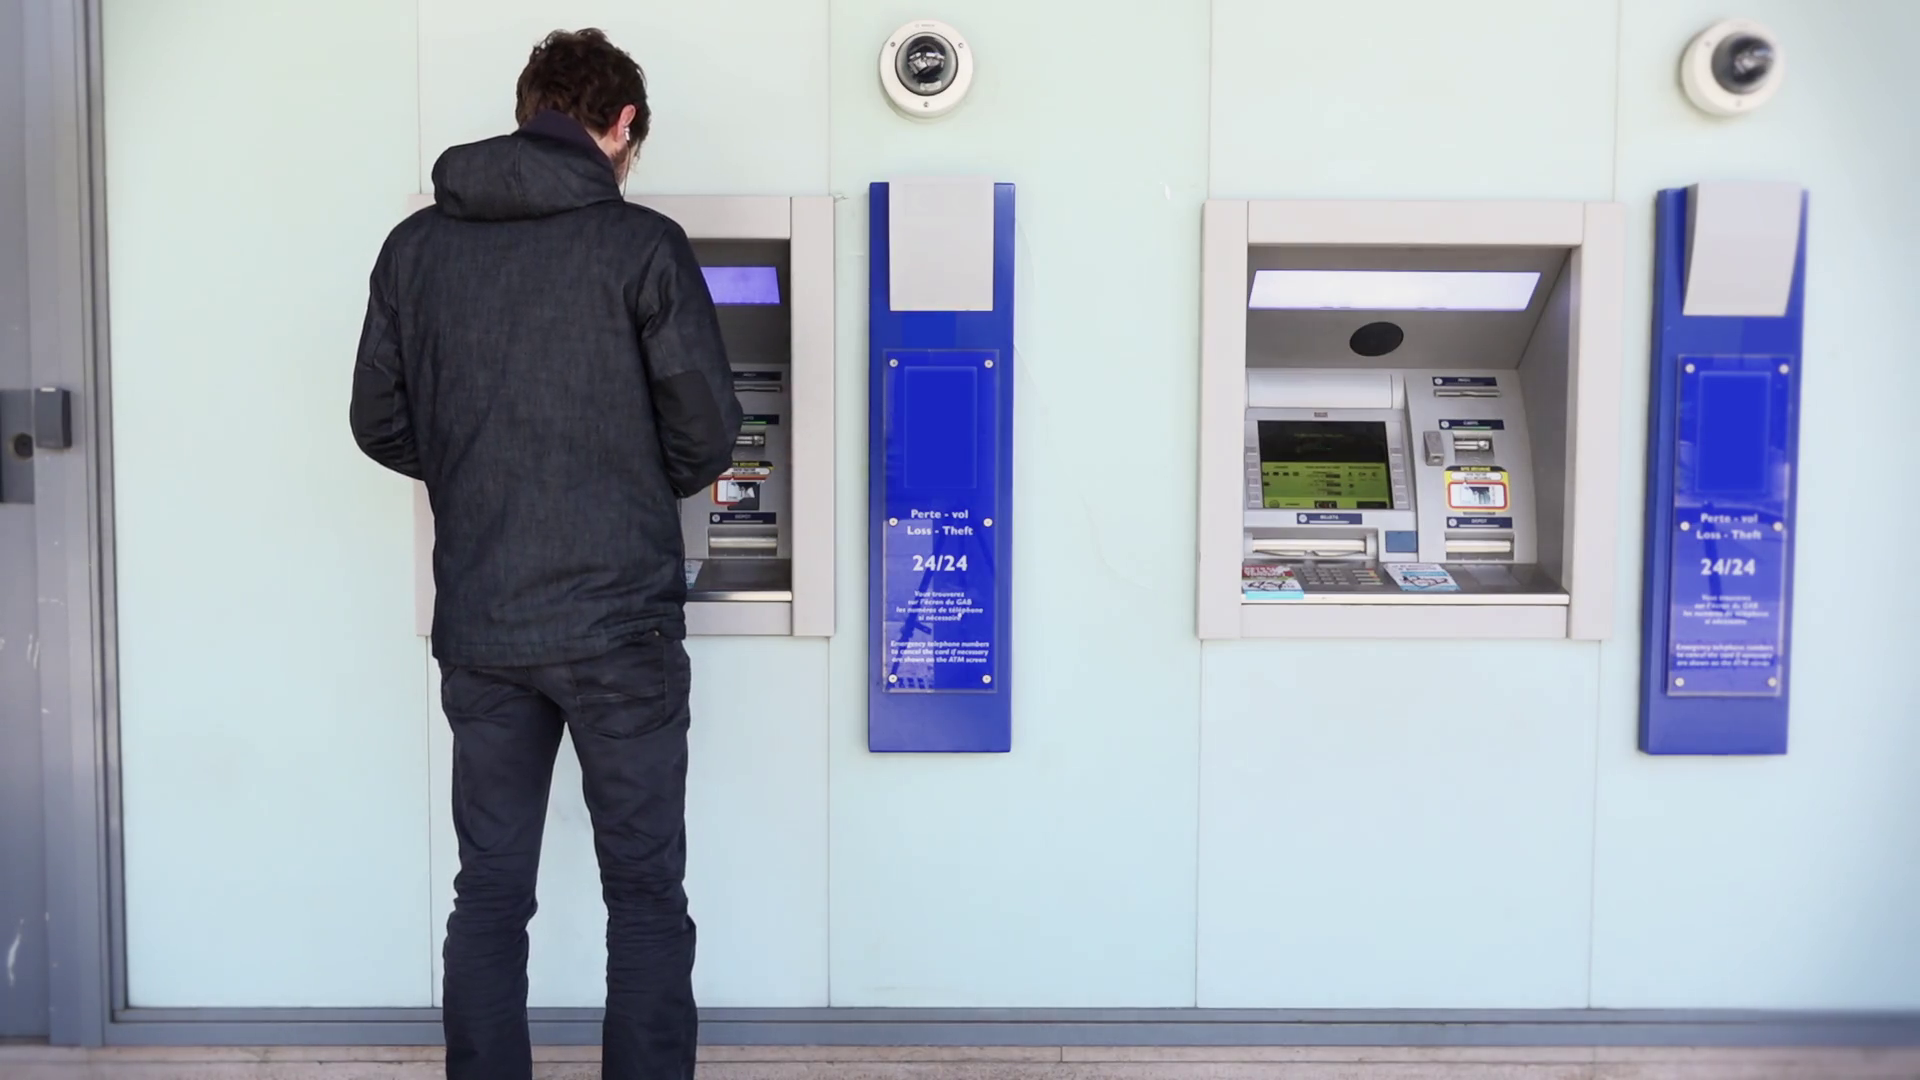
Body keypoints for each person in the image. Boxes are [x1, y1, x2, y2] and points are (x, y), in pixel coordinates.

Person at [349, 28, 742, 1080]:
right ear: (620, 126)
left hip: (484, 627)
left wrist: (484, 473)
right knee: (646, 894)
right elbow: (706, 437)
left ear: (529, 108)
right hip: (622, 630)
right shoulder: (641, 247)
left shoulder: (416, 248)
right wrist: (617, 476)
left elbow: (378, 423)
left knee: (489, 892)